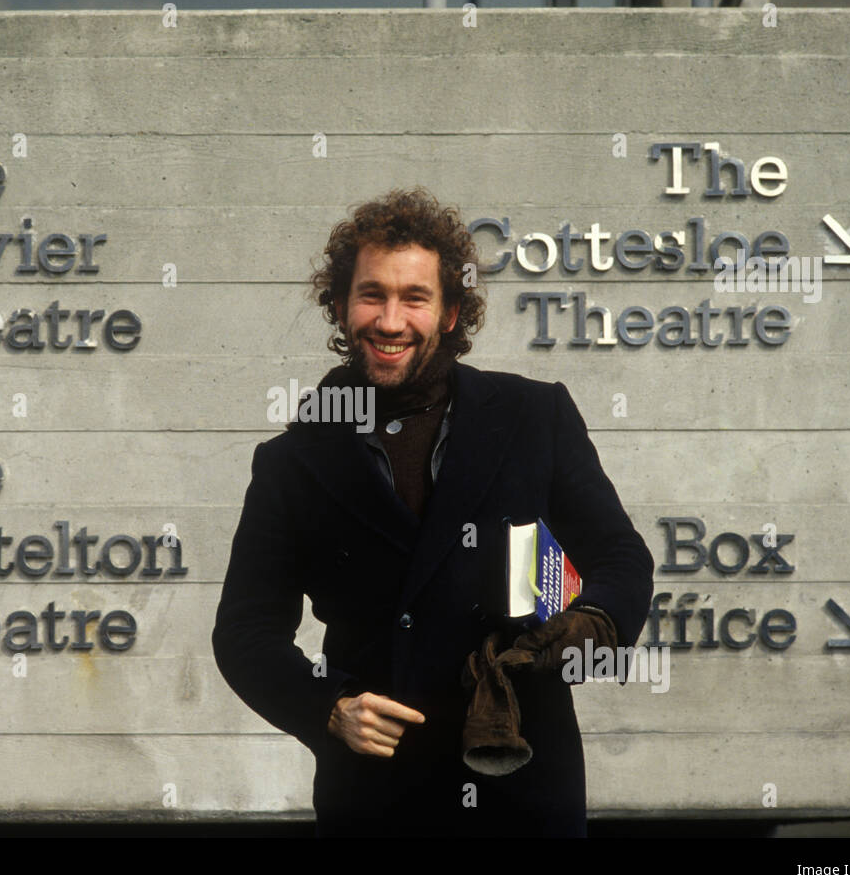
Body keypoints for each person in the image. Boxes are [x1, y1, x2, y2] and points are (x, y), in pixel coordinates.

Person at [211, 187, 654, 837]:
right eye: (372, 295)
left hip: (524, 790)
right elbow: (245, 633)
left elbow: (619, 558)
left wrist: (591, 622)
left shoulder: (534, 417)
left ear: (450, 314)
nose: (391, 320)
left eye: (414, 298)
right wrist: (327, 708)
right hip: (375, 798)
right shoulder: (292, 461)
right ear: (339, 306)